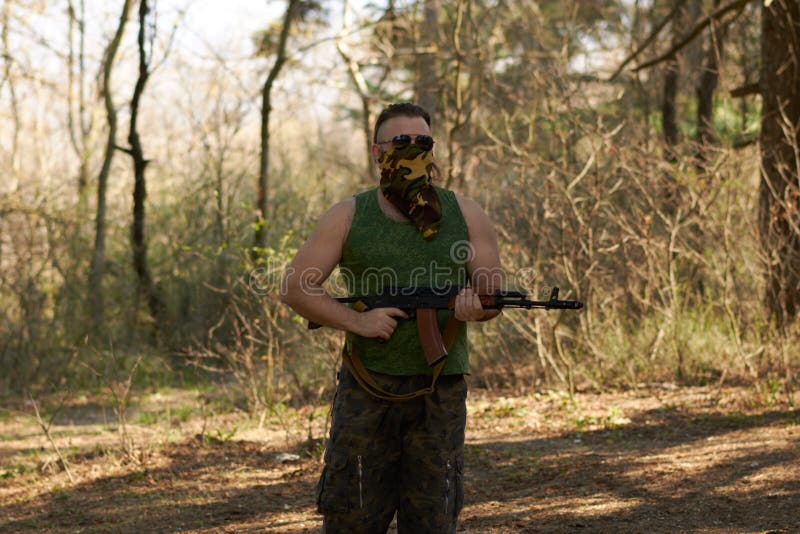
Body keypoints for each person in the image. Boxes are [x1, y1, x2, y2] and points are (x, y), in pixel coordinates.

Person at [280, 102, 503, 533]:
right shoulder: (348, 215)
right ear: (377, 151)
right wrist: (358, 322)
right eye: (401, 141)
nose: (413, 149)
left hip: (440, 390)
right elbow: (296, 288)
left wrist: (477, 308)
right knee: (353, 516)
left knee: (432, 519)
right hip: (367, 389)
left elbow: (491, 296)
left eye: (423, 142)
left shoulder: (466, 214)